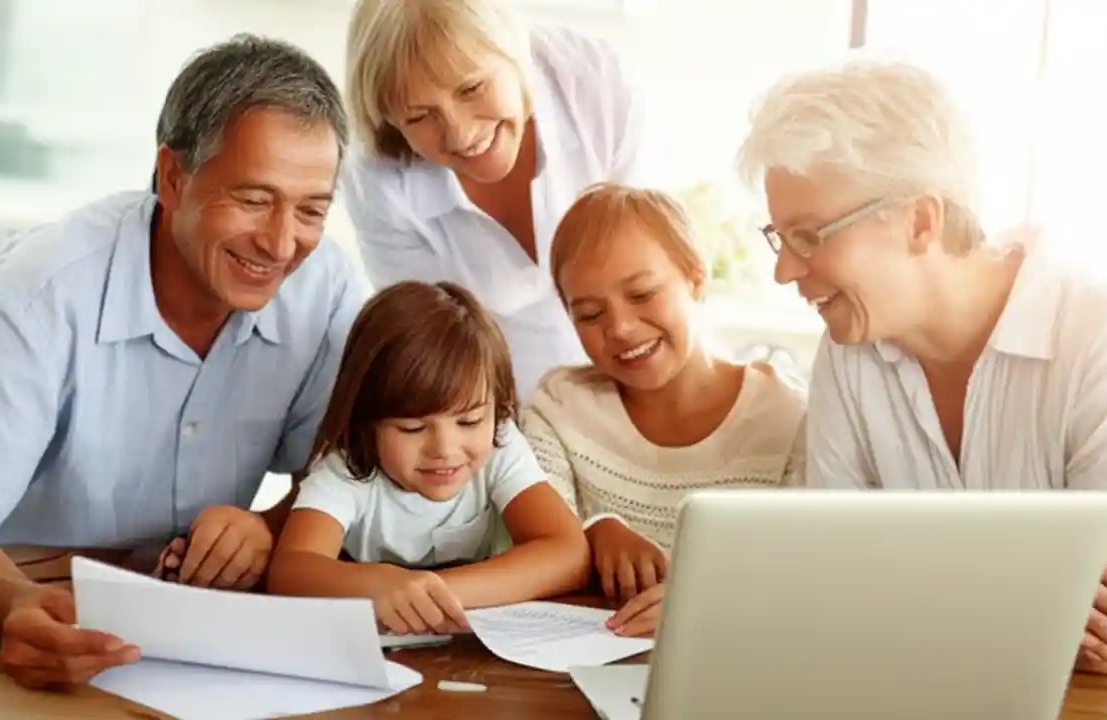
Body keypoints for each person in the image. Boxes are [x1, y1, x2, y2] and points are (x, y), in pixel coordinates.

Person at [0, 35, 364, 688]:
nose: (280, 243)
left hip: (197, 641)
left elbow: (356, 472)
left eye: (310, 211)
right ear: (173, 178)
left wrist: (269, 526)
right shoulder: (40, 295)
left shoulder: (325, 290)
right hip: (16, 615)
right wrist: (10, 606)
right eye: (253, 200)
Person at [737, 57, 1107, 672]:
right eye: (779, 237)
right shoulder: (850, 353)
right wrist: (1035, 582)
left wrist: (894, 578)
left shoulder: (1106, 338)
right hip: (956, 667)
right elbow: (829, 572)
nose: (784, 270)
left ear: (920, 221)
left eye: (809, 236)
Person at [521, 183, 807, 638]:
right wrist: (594, 529)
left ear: (695, 277)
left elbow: (804, 570)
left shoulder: (789, 418)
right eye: (590, 314)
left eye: (642, 294)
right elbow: (534, 538)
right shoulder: (558, 407)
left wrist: (701, 603)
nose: (620, 327)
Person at [340, 0, 648, 399]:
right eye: (419, 116)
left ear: (514, 54)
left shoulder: (594, 81)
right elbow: (433, 341)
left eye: (471, 88)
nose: (461, 135)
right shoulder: (377, 180)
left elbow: (647, 264)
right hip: (501, 397)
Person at [267, 281, 588, 634]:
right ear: (365, 424)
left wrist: (432, 593)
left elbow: (569, 553)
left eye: (469, 421)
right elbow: (290, 570)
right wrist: (378, 584)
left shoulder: (500, 443)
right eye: (413, 428)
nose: (445, 449)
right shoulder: (349, 466)